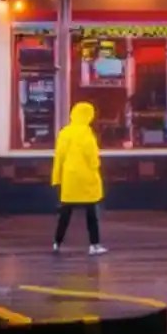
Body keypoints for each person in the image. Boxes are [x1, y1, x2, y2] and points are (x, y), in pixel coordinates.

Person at [51, 102, 107, 255]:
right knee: (91, 214)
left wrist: (56, 178)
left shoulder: (64, 133)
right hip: (86, 179)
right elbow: (92, 157)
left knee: (65, 213)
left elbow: (59, 157)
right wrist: (96, 166)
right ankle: (94, 245)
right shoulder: (86, 133)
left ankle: (57, 242)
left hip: (69, 179)